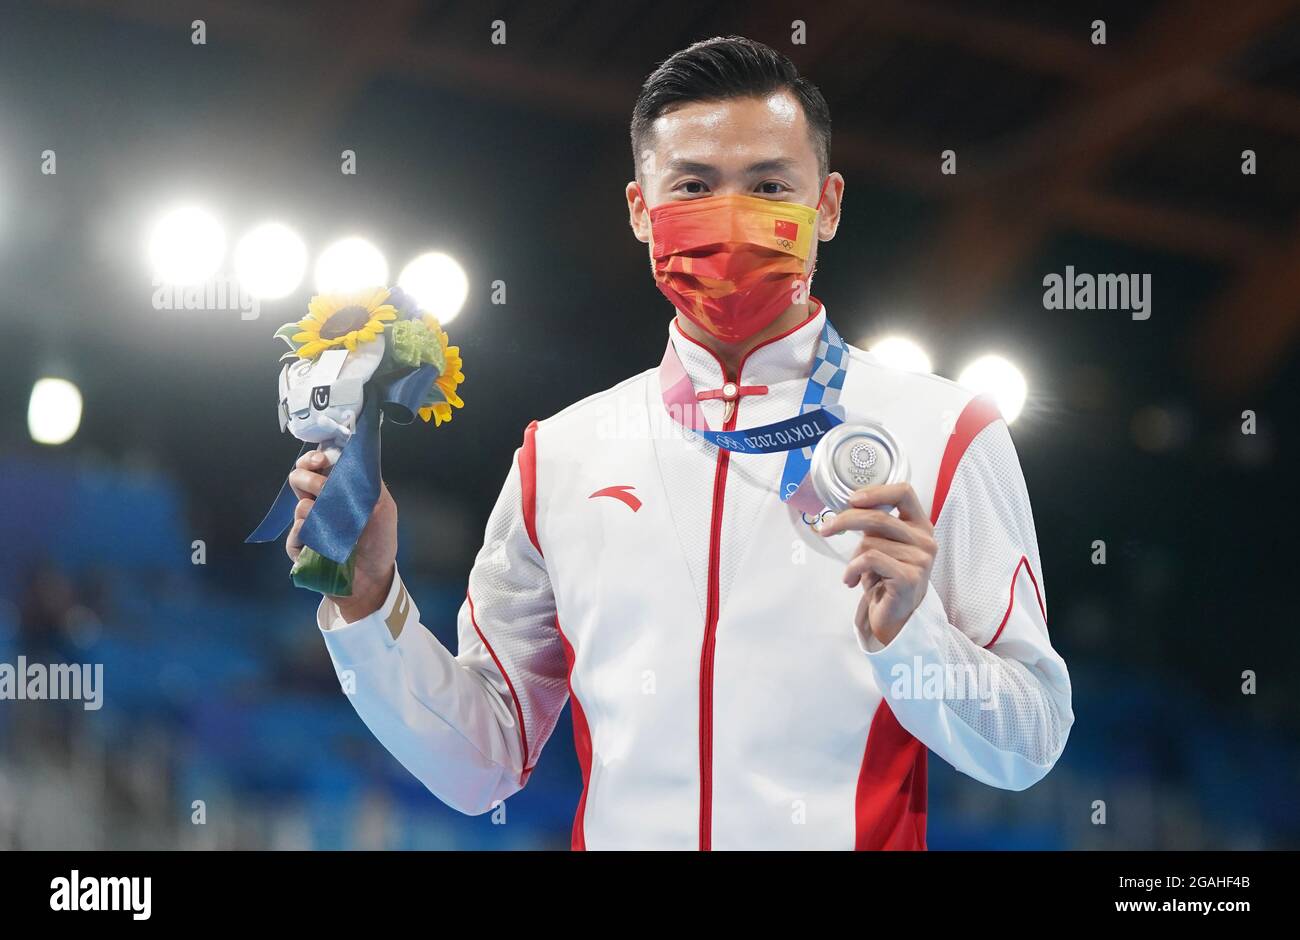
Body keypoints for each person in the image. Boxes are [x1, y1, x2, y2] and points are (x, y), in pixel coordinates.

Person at [285, 36, 1072, 850]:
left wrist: (914, 637)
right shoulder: (560, 457)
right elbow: (484, 760)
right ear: (639, 208)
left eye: (769, 185)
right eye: (694, 186)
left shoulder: (945, 432)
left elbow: (1033, 739)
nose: (731, 218)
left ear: (827, 205)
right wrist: (371, 597)